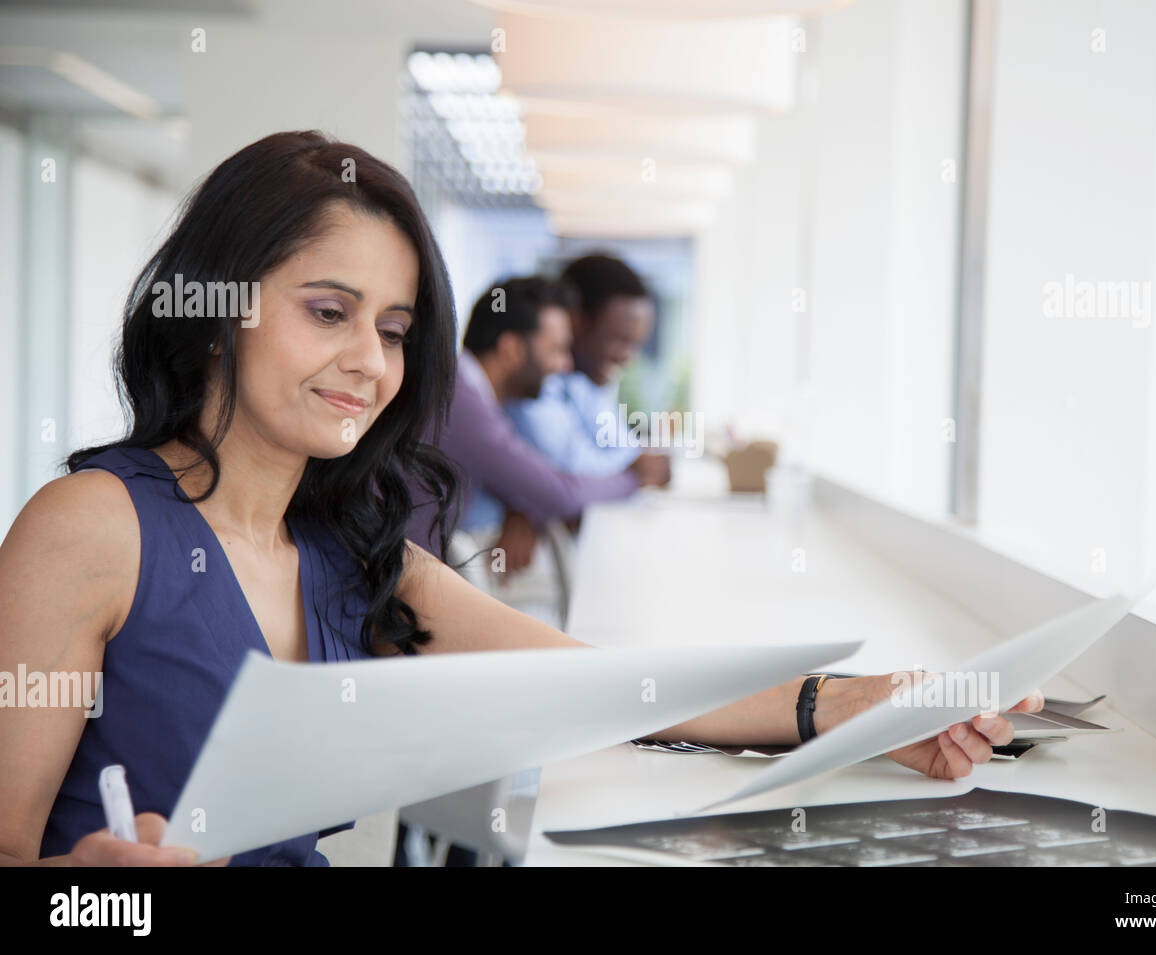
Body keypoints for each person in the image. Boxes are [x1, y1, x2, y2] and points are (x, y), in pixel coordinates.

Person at [0, 130, 1044, 867]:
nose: (370, 360)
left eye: (397, 329)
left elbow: (604, 688)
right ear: (219, 310)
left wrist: (852, 707)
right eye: (330, 311)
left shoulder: (349, 549)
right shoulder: (92, 526)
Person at [405, 275, 666, 572]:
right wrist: (636, 477)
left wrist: (525, 509)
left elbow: (534, 487)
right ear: (511, 350)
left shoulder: (460, 389)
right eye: (556, 349)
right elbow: (561, 495)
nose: (565, 364)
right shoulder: (461, 402)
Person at [507, 254, 669, 478]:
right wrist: (632, 471)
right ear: (574, 321)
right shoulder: (532, 382)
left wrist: (639, 465)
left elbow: (625, 451)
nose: (628, 358)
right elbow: (569, 468)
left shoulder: (586, 383)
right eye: (620, 340)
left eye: (636, 344)